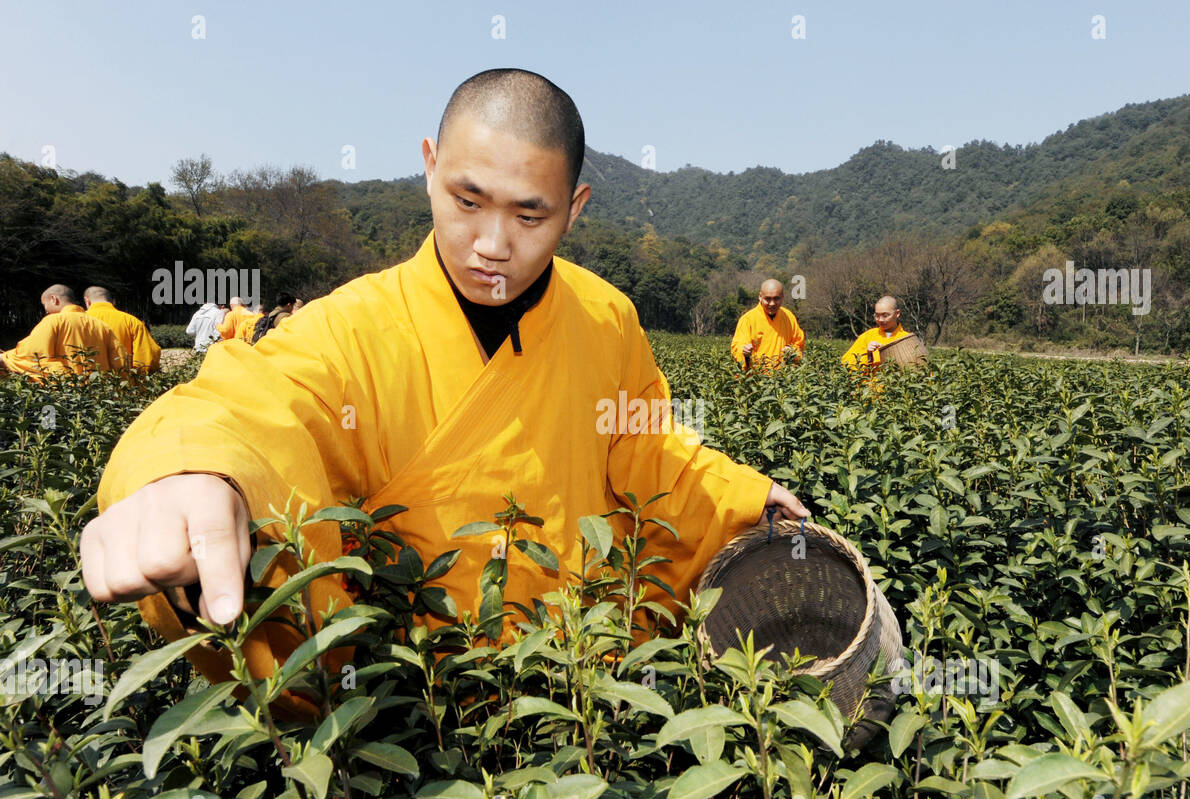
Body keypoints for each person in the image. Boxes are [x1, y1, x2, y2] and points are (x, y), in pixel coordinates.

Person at [81, 69, 809, 717]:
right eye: (467, 199)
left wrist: (742, 495)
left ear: (575, 206)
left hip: (584, 694)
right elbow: (257, 401)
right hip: (420, 709)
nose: (492, 242)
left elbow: (651, 450)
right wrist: (197, 470)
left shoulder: (608, 317)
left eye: (530, 215)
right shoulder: (356, 324)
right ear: (429, 167)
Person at [1, 285, 126, 381]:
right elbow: (119, 360)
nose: (46, 311)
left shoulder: (53, 321)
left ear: (54, 299)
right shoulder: (101, 325)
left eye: (44, 305)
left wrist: (5, 357)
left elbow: (30, 354)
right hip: (99, 391)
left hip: (67, 390)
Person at [729, 279, 805, 371]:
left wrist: (792, 351)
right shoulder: (748, 319)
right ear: (760, 297)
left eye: (776, 298)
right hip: (757, 379)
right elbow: (737, 346)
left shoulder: (789, 317)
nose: (772, 303)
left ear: (782, 297)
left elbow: (799, 344)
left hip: (784, 379)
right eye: (767, 299)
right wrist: (744, 351)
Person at [84, 286, 161, 374]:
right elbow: (148, 357)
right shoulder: (132, 321)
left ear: (87, 301)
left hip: (87, 382)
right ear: (113, 301)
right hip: (124, 383)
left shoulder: (78, 321)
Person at [840, 295, 912, 370]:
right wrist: (867, 355)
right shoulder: (868, 336)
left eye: (885, 315)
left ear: (897, 313)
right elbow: (845, 364)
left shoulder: (907, 339)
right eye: (877, 315)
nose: (880, 319)